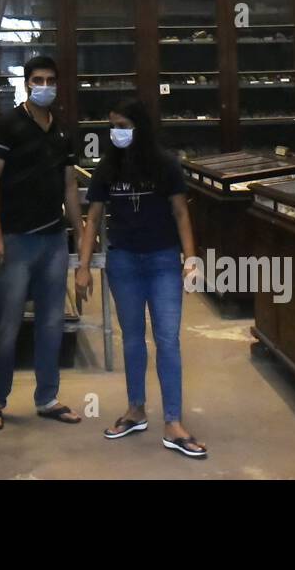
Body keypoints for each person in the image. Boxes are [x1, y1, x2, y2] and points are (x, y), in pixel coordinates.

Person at [75, 98, 207, 457]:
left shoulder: (165, 165)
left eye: (123, 126)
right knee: (132, 338)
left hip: (163, 260)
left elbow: (180, 213)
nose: (116, 133)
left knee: (167, 339)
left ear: (140, 127)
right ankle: (135, 410)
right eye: (112, 126)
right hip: (124, 263)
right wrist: (84, 267)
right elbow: (93, 218)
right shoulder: (107, 167)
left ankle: (173, 422)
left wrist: (191, 258)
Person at [0, 54, 84, 431]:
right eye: (38, 80)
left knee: (52, 322)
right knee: (7, 325)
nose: (45, 86)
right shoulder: (7, 126)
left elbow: (70, 186)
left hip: (54, 241)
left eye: (50, 80)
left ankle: (47, 398)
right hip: (15, 241)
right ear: (27, 84)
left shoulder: (62, 132)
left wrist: (82, 234)